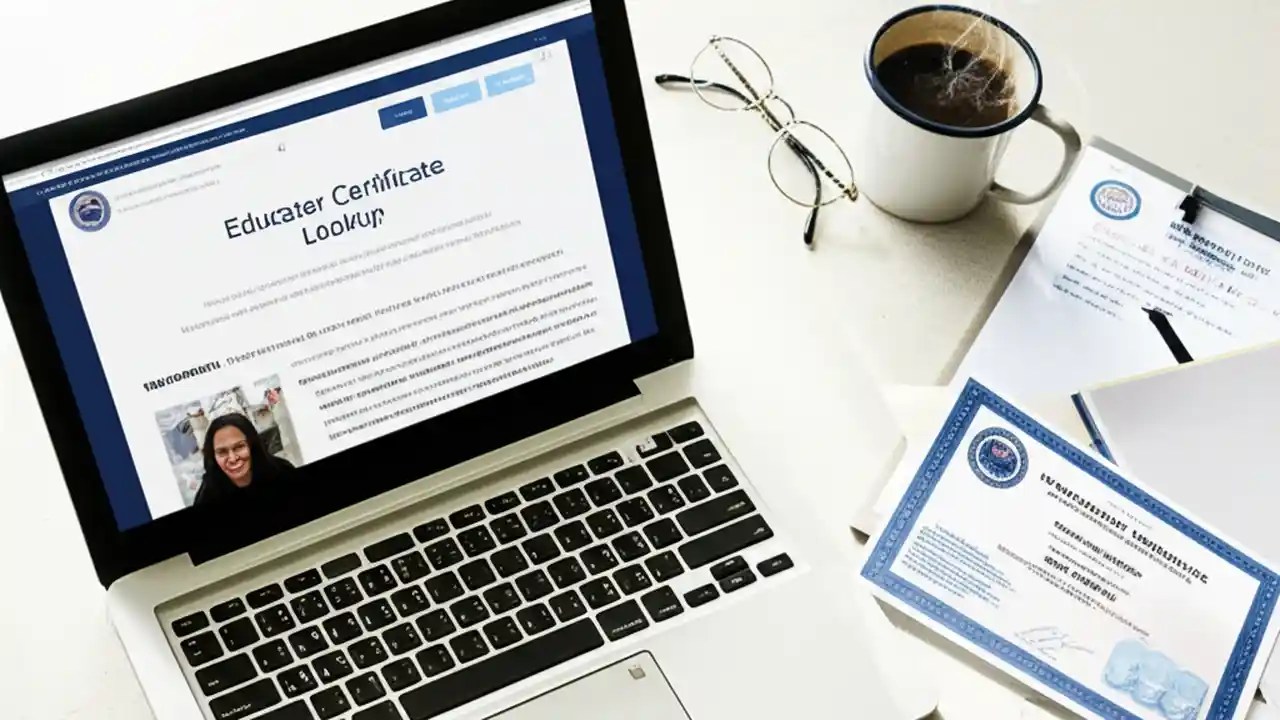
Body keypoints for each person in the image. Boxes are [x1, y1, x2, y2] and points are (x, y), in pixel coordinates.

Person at [193, 412, 294, 506]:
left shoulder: (283, 472)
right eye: (222, 452)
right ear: (213, 457)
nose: (232, 459)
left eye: (239, 447)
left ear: (252, 445)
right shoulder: (206, 497)